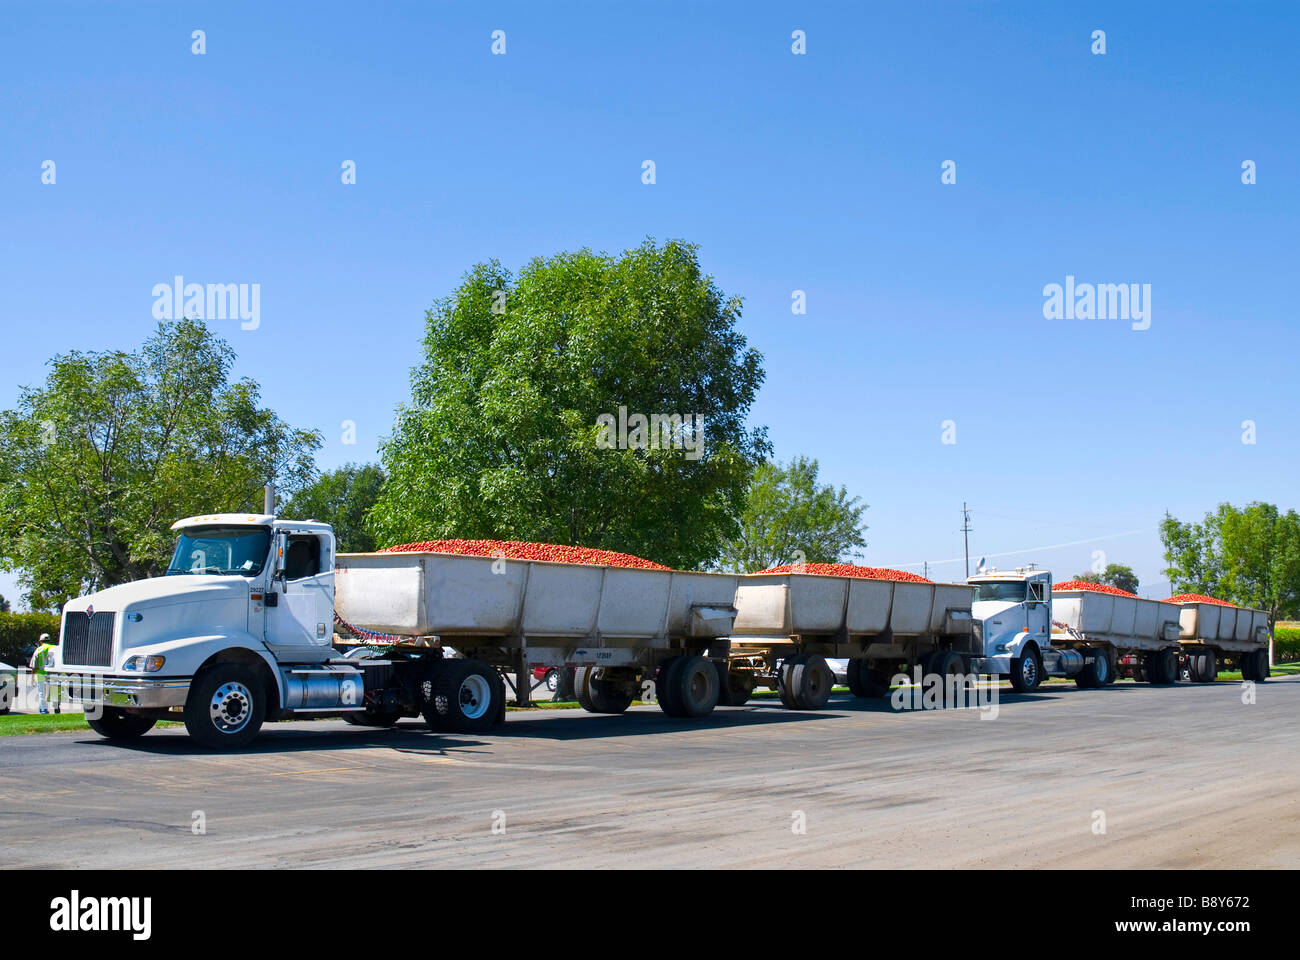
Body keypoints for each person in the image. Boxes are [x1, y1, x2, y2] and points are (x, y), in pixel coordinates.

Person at [28, 633, 60, 714]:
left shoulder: (38, 650)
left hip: (41, 673)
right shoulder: (55, 648)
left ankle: (43, 709)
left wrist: (32, 677)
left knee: (41, 693)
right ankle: (56, 707)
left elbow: (34, 665)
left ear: (41, 641)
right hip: (53, 673)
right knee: (54, 691)